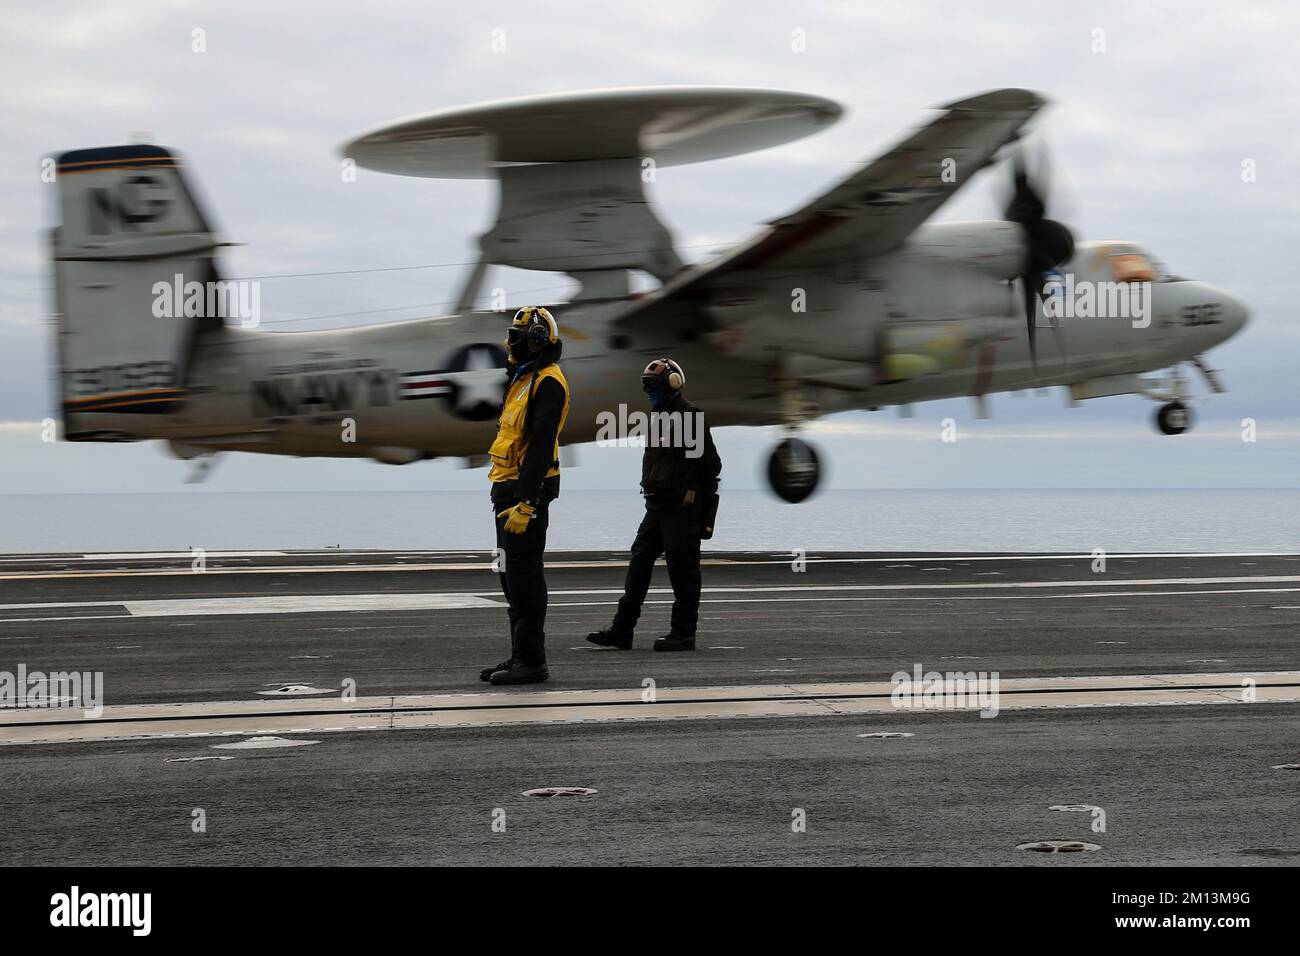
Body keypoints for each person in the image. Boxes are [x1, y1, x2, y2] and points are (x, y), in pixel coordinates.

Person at [587, 358, 721, 652]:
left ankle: (683, 634)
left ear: (671, 384)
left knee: (682, 569)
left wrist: (691, 494)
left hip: (681, 507)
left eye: (652, 385)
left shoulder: (690, 416)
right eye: (646, 385)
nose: (648, 391)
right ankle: (622, 630)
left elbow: (712, 466)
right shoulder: (658, 418)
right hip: (657, 505)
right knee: (639, 562)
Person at [479, 306, 569, 685]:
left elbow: (540, 448)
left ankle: (532, 662)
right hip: (505, 490)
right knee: (509, 576)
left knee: (525, 576)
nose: (507, 344)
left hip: (523, 493)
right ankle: (520, 655)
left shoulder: (547, 382)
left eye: (515, 338)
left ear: (535, 340)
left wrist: (528, 503)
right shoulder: (520, 380)